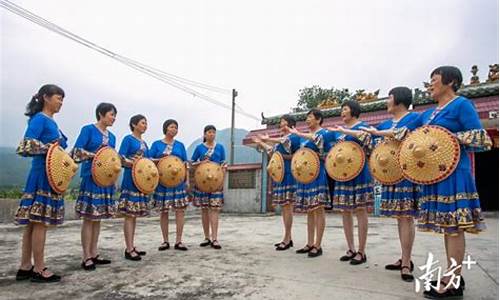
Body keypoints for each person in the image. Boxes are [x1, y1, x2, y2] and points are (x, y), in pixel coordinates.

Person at [15, 84, 67, 282]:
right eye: (58, 98)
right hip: (42, 175)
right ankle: (39, 268)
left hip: (46, 174)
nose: (60, 102)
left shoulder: (51, 121)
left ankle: (25, 266)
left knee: (33, 224)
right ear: (46, 98)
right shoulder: (40, 119)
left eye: (62, 99)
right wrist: (50, 148)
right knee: (39, 223)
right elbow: (27, 144)